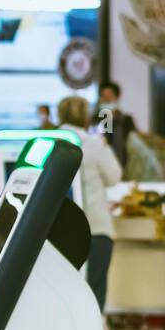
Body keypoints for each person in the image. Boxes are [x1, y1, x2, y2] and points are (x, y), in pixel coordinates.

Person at [57, 95, 121, 313]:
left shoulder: (49, 142)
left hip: (58, 230)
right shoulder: (93, 144)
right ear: (85, 117)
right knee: (93, 290)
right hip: (96, 227)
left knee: (62, 292)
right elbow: (114, 176)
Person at [96, 81, 134, 168]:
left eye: (109, 97)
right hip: (99, 165)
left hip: (121, 165)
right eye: (103, 97)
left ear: (117, 97)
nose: (106, 100)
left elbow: (133, 143)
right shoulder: (95, 120)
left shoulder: (126, 120)